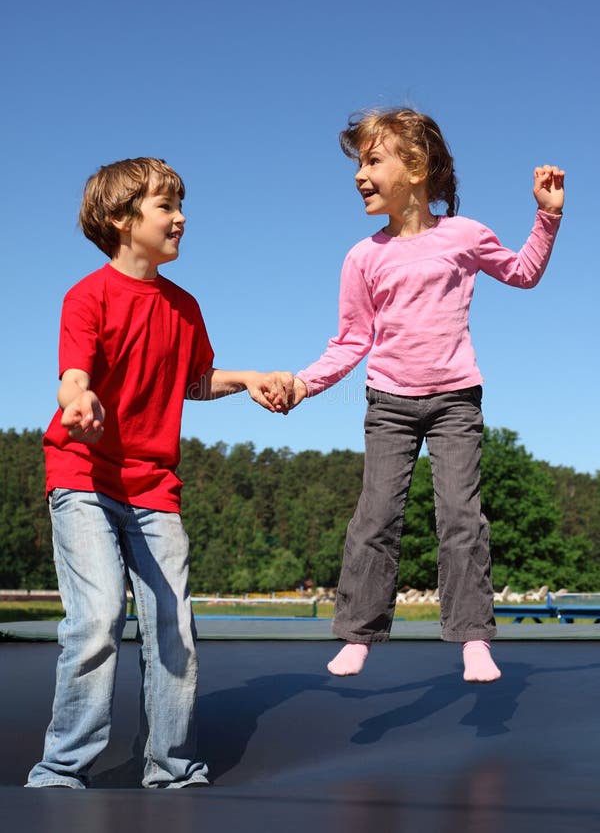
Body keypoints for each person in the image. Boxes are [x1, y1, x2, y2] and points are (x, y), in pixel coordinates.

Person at [26, 157, 293, 789]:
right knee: (95, 622)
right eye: (165, 206)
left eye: (180, 205)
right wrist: (77, 399)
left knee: (173, 628)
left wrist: (248, 379)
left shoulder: (183, 305)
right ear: (121, 219)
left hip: (153, 487)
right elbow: (74, 372)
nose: (180, 217)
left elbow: (195, 381)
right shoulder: (87, 296)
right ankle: (61, 770)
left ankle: (172, 768)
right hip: (83, 476)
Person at [286, 108, 564, 682]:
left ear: (415, 167)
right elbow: (351, 340)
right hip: (388, 402)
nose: (360, 175)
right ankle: (360, 632)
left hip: (456, 400)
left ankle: (473, 638)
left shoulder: (462, 236)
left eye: (372, 160)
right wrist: (304, 383)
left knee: (462, 517)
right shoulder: (362, 257)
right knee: (375, 516)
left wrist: (547, 217)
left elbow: (521, 273)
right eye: (358, 164)